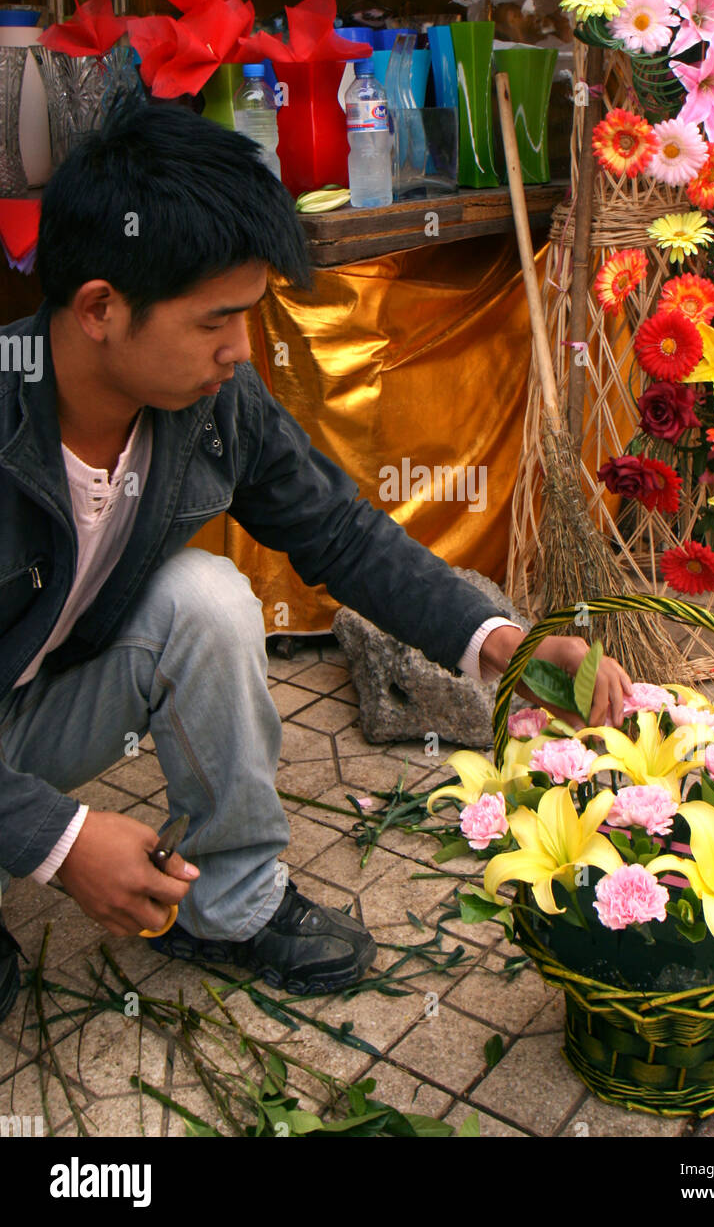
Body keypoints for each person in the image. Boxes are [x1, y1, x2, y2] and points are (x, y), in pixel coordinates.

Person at [0, 102, 632, 1023]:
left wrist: (499, 643)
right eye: (217, 320)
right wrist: (59, 840)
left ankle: (231, 909)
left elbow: (337, 531)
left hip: (28, 714)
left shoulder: (210, 401)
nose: (239, 351)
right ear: (100, 307)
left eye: (250, 316)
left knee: (208, 598)